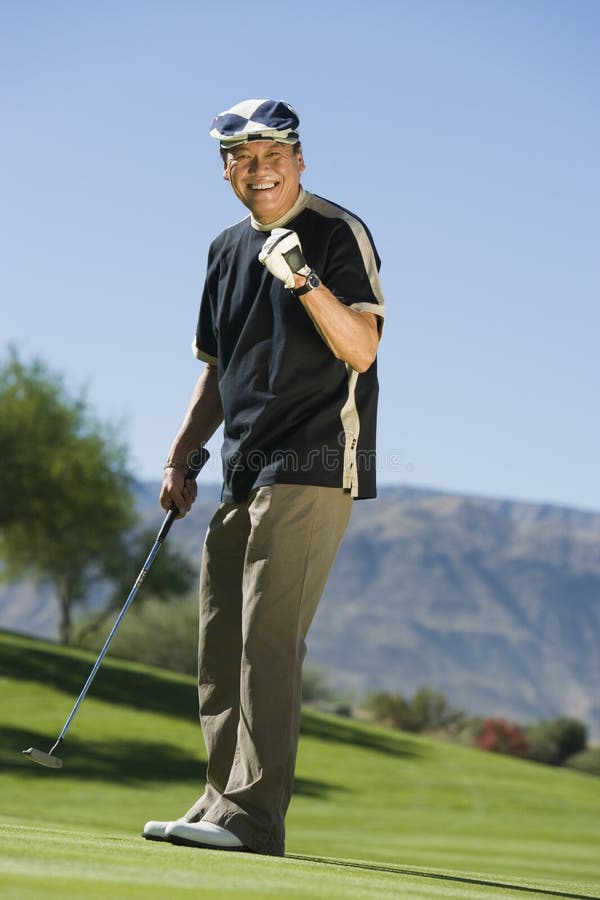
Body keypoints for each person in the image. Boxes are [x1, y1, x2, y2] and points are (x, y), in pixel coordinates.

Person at [142, 99, 385, 857]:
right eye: (243, 159)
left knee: (267, 643)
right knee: (221, 645)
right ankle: (221, 801)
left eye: (273, 153)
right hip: (241, 470)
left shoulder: (335, 233)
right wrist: (182, 453)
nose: (260, 168)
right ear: (226, 173)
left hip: (313, 461)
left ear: (300, 160)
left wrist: (304, 279)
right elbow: (217, 372)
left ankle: (255, 817)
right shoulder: (222, 251)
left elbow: (363, 348)